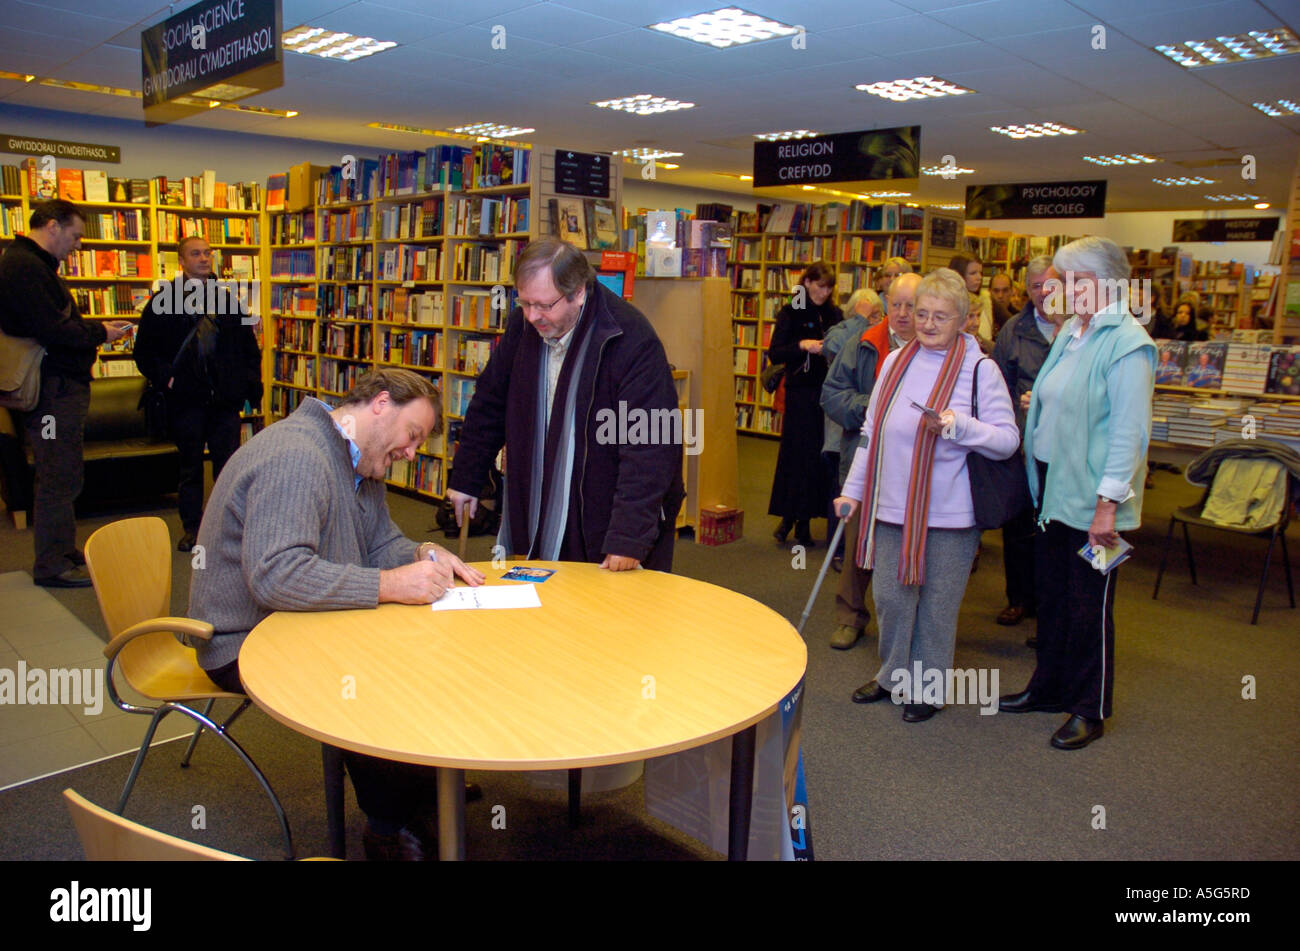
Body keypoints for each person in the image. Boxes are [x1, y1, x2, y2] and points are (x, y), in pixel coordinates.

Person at [188, 368, 487, 859]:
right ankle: (389, 826)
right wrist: (390, 584)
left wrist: (423, 554)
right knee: (370, 675)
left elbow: (381, 541)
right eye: (412, 436)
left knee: (418, 647)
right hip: (244, 640)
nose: (412, 454)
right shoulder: (298, 457)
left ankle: (420, 783)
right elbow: (277, 574)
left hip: (296, 623)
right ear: (380, 404)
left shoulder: (358, 460)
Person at [838, 268, 1019, 720]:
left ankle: (928, 688)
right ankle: (893, 675)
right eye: (922, 313)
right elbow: (871, 431)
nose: (929, 323)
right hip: (892, 505)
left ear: (963, 319)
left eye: (941, 315)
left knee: (937, 607)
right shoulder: (896, 363)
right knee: (893, 599)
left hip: (951, 514)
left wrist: (959, 426)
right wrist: (852, 492)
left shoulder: (981, 369)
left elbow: (1007, 440)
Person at [1000, 236, 1156, 751]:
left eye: (1069, 281)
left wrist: (1108, 505)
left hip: (1098, 506)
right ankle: (1049, 687)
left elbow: (1128, 433)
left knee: (1091, 606)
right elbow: (1060, 392)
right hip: (1053, 493)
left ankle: (1090, 708)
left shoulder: (1129, 343)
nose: (1059, 291)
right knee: (1054, 599)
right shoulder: (1072, 330)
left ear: (1100, 283)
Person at [447, 237, 683, 570]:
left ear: (579, 292)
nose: (532, 316)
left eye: (544, 305)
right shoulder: (522, 327)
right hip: (540, 498)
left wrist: (629, 537)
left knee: (609, 615)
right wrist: (466, 477)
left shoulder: (630, 338)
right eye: (525, 303)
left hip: (603, 505)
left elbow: (651, 447)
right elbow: (490, 402)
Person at [0, 199, 133, 587]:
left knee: (64, 471)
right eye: (75, 236)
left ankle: (61, 548)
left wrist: (91, 329)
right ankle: (52, 564)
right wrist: (101, 334)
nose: (77, 246)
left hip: (57, 389)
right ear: (53, 226)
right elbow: (53, 330)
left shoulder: (30, 265)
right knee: (57, 474)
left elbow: (54, 324)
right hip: (52, 393)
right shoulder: (24, 268)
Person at [133, 236, 262, 552]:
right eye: (196, 254)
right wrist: (170, 381)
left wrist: (246, 385)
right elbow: (145, 353)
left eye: (207, 253)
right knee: (190, 467)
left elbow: (248, 348)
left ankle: (229, 526)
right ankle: (193, 528)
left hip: (224, 401)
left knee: (229, 466)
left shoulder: (230, 301)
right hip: (186, 400)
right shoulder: (163, 303)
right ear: (182, 262)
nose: (204, 258)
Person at [821, 272, 920, 648]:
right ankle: (850, 616)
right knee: (858, 540)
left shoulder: (934, 346)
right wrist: (876, 410)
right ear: (885, 304)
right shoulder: (864, 342)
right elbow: (832, 394)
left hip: (916, 467)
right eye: (896, 305)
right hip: (864, 460)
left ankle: (905, 625)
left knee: (907, 546)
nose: (904, 314)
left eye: (912, 306)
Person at [990, 256, 1063, 634]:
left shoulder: (1077, 327)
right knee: (1019, 524)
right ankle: (1018, 598)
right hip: (1023, 442)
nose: (1042, 293)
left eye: (1049, 284)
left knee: (1057, 527)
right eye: (1035, 286)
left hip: (1066, 447)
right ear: (1026, 290)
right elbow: (997, 386)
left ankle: (1052, 604)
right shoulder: (1014, 330)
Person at [768, 261, 841, 547]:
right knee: (796, 456)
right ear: (807, 283)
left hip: (825, 393)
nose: (824, 292)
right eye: (820, 286)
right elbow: (775, 353)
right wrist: (803, 346)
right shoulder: (791, 312)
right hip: (799, 393)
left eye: (829, 287)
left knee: (817, 458)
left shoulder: (834, 314)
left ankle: (801, 520)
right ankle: (792, 519)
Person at [821, 288, 884, 567]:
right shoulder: (848, 334)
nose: (877, 320)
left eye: (878, 314)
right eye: (872, 314)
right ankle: (840, 550)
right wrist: (861, 320)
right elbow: (831, 348)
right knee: (843, 490)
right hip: (846, 436)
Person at [948, 254, 993, 346]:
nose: (979, 278)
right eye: (973, 273)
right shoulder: (948, 303)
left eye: (981, 273)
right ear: (958, 275)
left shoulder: (986, 298)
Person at [988, 272, 1017, 338]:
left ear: (1012, 291)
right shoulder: (983, 315)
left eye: (1005, 290)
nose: (1000, 295)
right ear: (989, 292)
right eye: (996, 291)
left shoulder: (1019, 318)